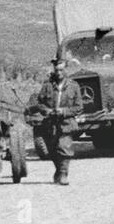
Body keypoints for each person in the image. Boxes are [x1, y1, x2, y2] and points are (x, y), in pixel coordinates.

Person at [25, 57, 82, 185]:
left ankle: (63, 174)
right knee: (52, 150)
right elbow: (39, 103)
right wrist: (47, 111)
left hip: (66, 123)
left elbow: (79, 107)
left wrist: (64, 111)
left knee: (64, 147)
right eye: (57, 70)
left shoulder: (74, 86)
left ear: (66, 70)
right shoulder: (47, 86)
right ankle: (59, 170)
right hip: (50, 124)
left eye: (61, 70)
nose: (59, 73)